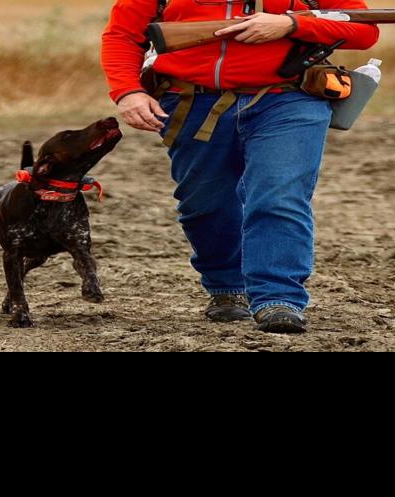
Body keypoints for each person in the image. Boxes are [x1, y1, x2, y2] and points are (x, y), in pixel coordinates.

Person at [102, 0, 378, 334]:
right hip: (192, 101)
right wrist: (128, 92)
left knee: (279, 196)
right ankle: (227, 288)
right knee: (205, 205)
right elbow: (122, 36)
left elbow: (364, 30)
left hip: (289, 98)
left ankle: (278, 298)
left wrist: (291, 25)